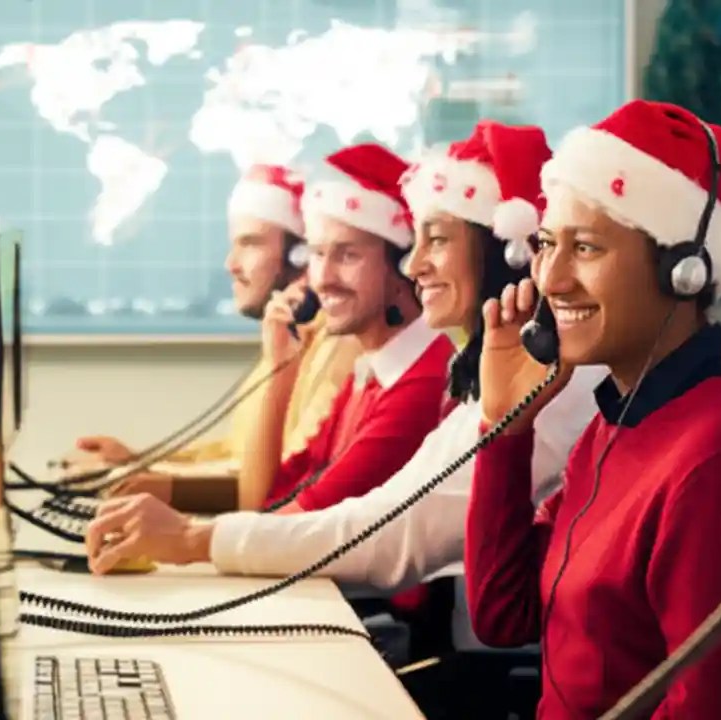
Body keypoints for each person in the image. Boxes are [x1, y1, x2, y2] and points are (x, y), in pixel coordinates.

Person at [465, 99, 721, 718]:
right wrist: (504, 431)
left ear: (683, 271)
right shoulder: (617, 423)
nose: (551, 279)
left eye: (587, 248)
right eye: (547, 244)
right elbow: (504, 615)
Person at [87, 143, 457, 568]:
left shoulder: (421, 381)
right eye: (318, 254)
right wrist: (282, 371)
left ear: (404, 268)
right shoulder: (371, 373)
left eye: (348, 255)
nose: (323, 278)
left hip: (361, 608)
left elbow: (292, 527)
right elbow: (263, 501)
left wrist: (186, 538)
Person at [69, 165, 361, 512]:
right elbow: (237, 453)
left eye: (249, 244)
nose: (231, 264)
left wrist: (164, 486)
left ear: (300, 256)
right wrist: (139, 461)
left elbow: (285, 479)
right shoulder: (289, 337)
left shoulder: (342, 347)